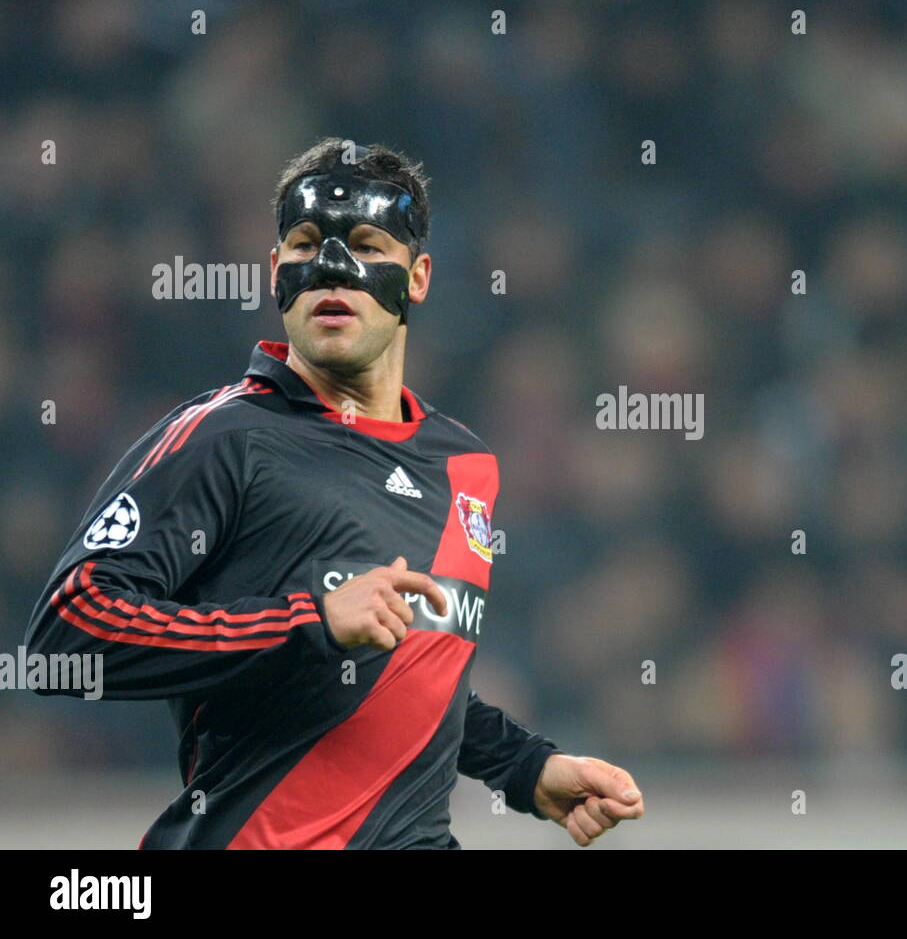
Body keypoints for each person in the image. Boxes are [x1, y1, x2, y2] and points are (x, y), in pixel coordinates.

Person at [25, 138, 644, 849]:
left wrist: (526, 765)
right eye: (307, 242)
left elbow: (403, 672)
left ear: (417, 277)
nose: (331, 267)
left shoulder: (465, 463)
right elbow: (64, 632)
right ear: (275, 273)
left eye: (366, 243)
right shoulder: (224, 438)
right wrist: (305, 621)